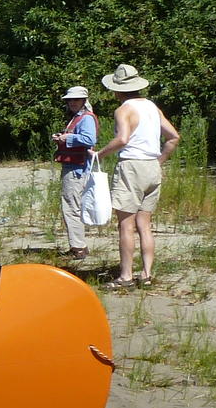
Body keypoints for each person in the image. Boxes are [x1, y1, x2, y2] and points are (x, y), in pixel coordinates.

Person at [93, 63, 180, 287]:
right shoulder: (152, 106)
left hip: (131, 166)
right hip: (152, 166)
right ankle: (147, 274)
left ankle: (126, 276)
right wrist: (159, 161)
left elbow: (122, 139)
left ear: (117, 90)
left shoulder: (124, 109)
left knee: (126, 225)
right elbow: (173, 137)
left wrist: (100, 154)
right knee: (145, 223)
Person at [52, 86, 98, 258]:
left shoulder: (86, 118)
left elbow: (90, 139)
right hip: (74, 167)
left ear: (84, 101)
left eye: (76, 100)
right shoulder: (77, 118)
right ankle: (79, 246)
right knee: (73, 206)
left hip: (77, 169)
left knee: (71, 207)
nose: (71, 102)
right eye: (69, 100)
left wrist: (67, 138)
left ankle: (78, 247)